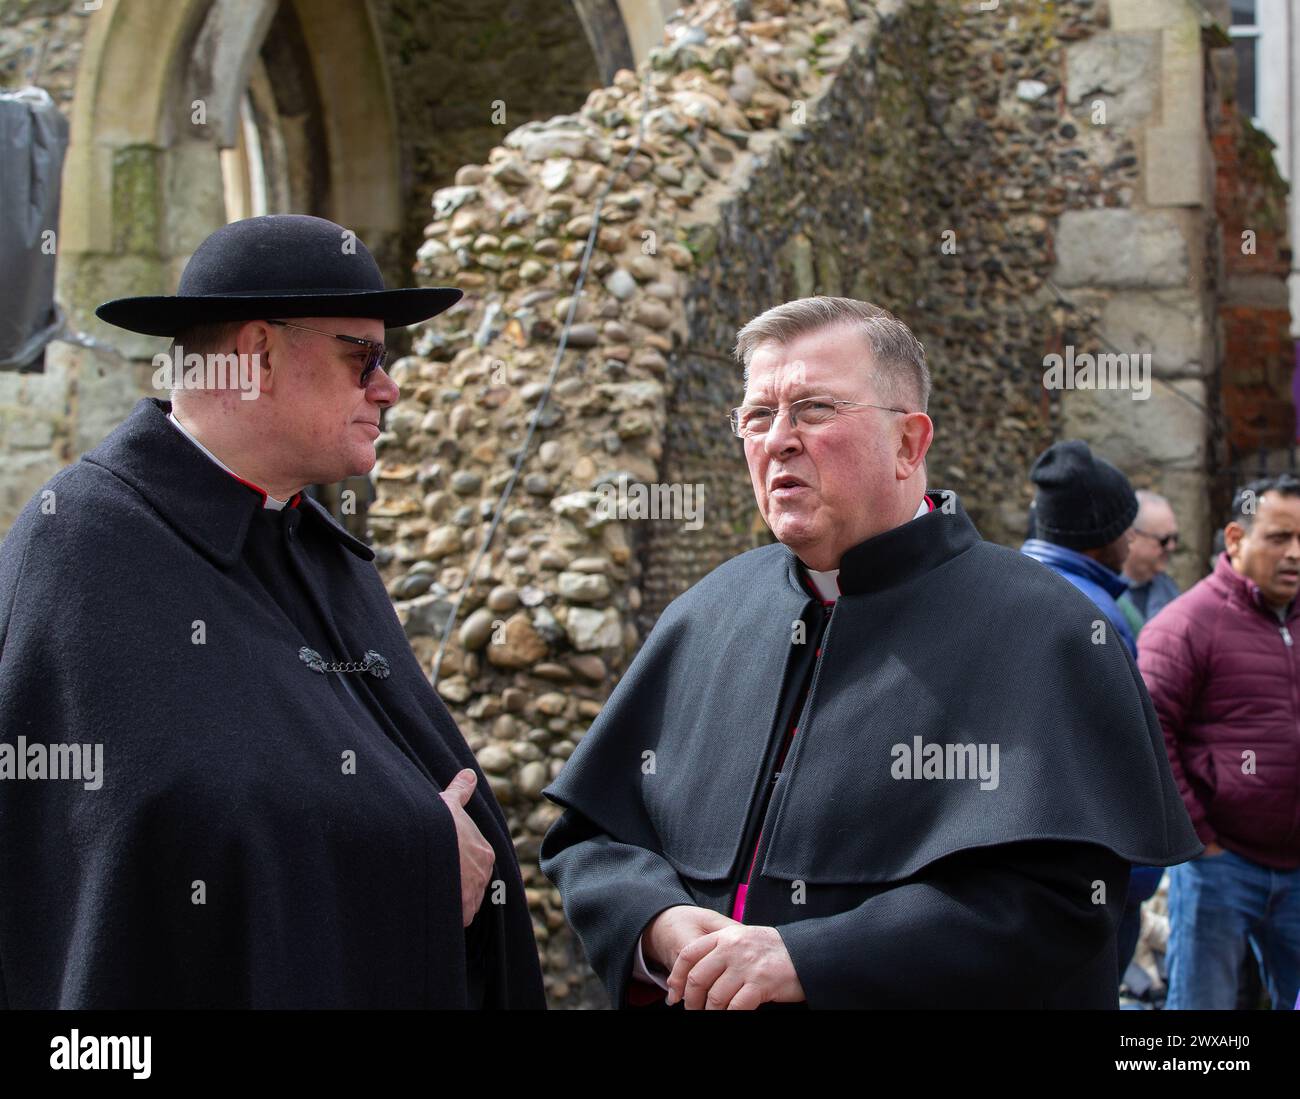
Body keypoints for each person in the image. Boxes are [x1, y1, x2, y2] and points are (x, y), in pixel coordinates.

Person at [539, 296, 1200, 1010]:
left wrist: (809, 959)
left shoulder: (1045, 630)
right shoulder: (707, 612)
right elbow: (593, 835)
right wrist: (657, 922)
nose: (779, 439)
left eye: (815, 409)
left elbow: (1061, 905)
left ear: (909, 444)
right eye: (758, 416)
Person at [0, 214, 545, 1009]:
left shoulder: (310, 542)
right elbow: (148, 845)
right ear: (255, 355)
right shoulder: (84, 541)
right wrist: (414, 856)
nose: (388, 388)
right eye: (363, 357)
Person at [1138, 475, 1300, 1010]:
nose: (1294, 554)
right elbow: (1150, 735)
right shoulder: (1185, 625)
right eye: (1278, 537)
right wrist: (1201, 838)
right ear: (1235, 538)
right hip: (1220, 866)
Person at [1118, 490, 1181, 635]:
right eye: (1163, 540)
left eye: (1174, 538)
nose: (1171, 547)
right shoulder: (1104, 593)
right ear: (1132, 536)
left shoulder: (1169, 590)